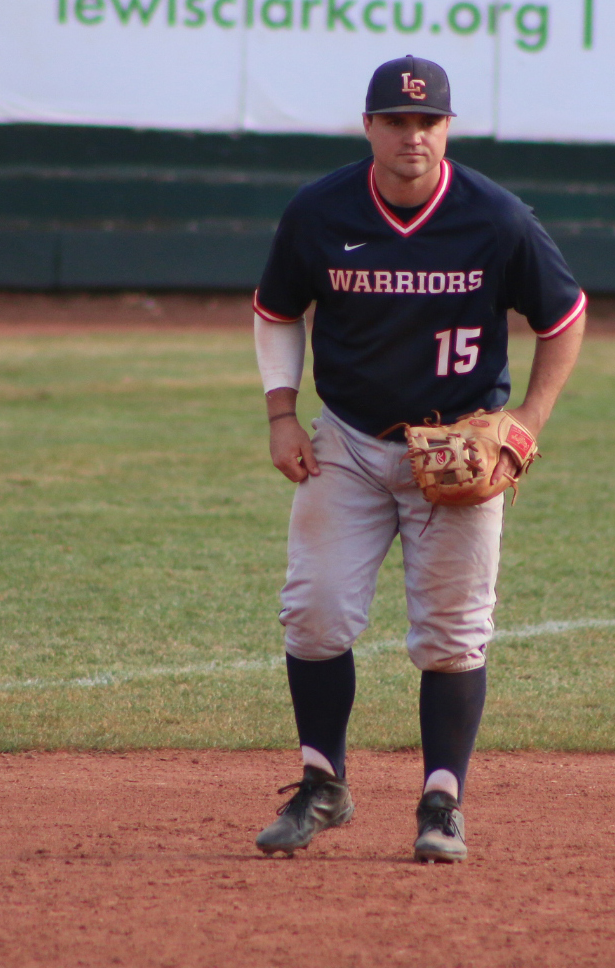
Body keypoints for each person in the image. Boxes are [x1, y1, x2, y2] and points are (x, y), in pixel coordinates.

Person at [250, 54, 586, 863]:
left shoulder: (495, 218)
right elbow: (275, 310)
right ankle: (322, 785)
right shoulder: (320, 211)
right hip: (351, 441)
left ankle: (442, 801)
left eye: (427, 121)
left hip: (460, 452)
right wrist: (282, 414)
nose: (412, 136)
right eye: (395, 122)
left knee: (451, 636)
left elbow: (564, 316)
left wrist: (525, 424)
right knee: (315, 612)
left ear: (446, 128)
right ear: (368, 127)